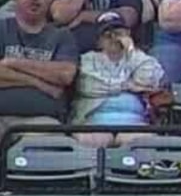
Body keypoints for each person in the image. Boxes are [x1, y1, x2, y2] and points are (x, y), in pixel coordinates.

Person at [0, 0, 78, 146]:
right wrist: (40, 83)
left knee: (52, 148)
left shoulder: (62, 36)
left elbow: (65, 75)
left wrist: (12, 62)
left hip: (42, 120)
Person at [69, 12, 165, 149]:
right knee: (91, 140)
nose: (114, 38)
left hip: (135, 123)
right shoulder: (87, 60)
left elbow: (150, 79)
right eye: (107, 35)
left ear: (128, 35)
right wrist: (130, 85)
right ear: (99, 41)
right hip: (94, 121)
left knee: (142, 141)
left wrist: (131, 50)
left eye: (119, 33)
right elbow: (91, 86)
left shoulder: (138, 58)